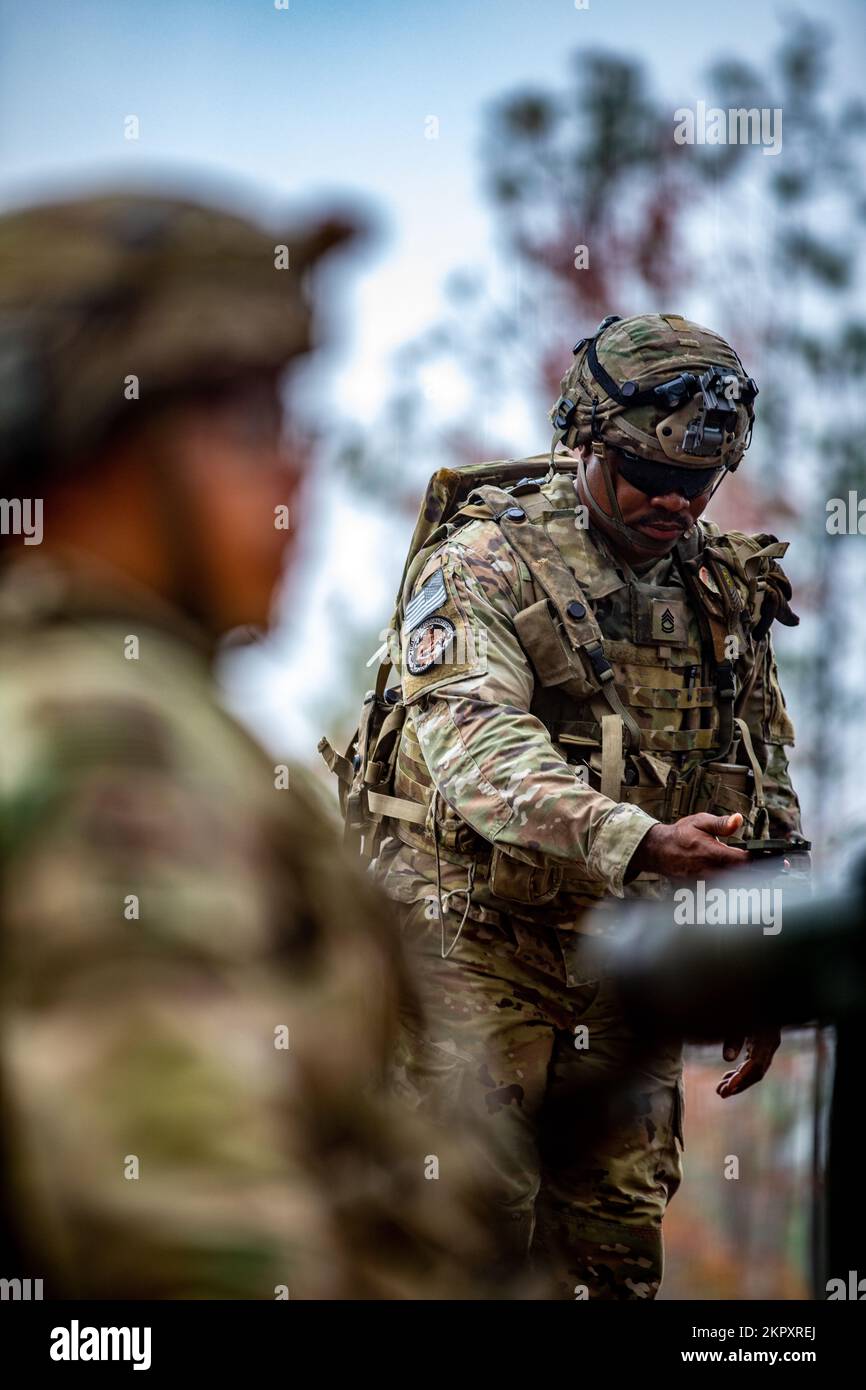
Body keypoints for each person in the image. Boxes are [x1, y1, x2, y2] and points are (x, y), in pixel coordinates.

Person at [0, 189, 503, 1299]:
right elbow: (183, 1243)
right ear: (67, 432)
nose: (296, 476)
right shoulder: (102, 733)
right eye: (248, 418)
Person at [333, 312, 807, 1298]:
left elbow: (755, 770)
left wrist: (768, 961)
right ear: (584, 442)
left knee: (614, 1260)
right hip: (469, 951)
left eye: (698, 482)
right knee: (463, 1247)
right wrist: (632, 839)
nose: (673, 502)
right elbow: (475, 748)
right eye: (648, 473)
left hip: (620, 975)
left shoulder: (719, 594)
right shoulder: (481, 566)